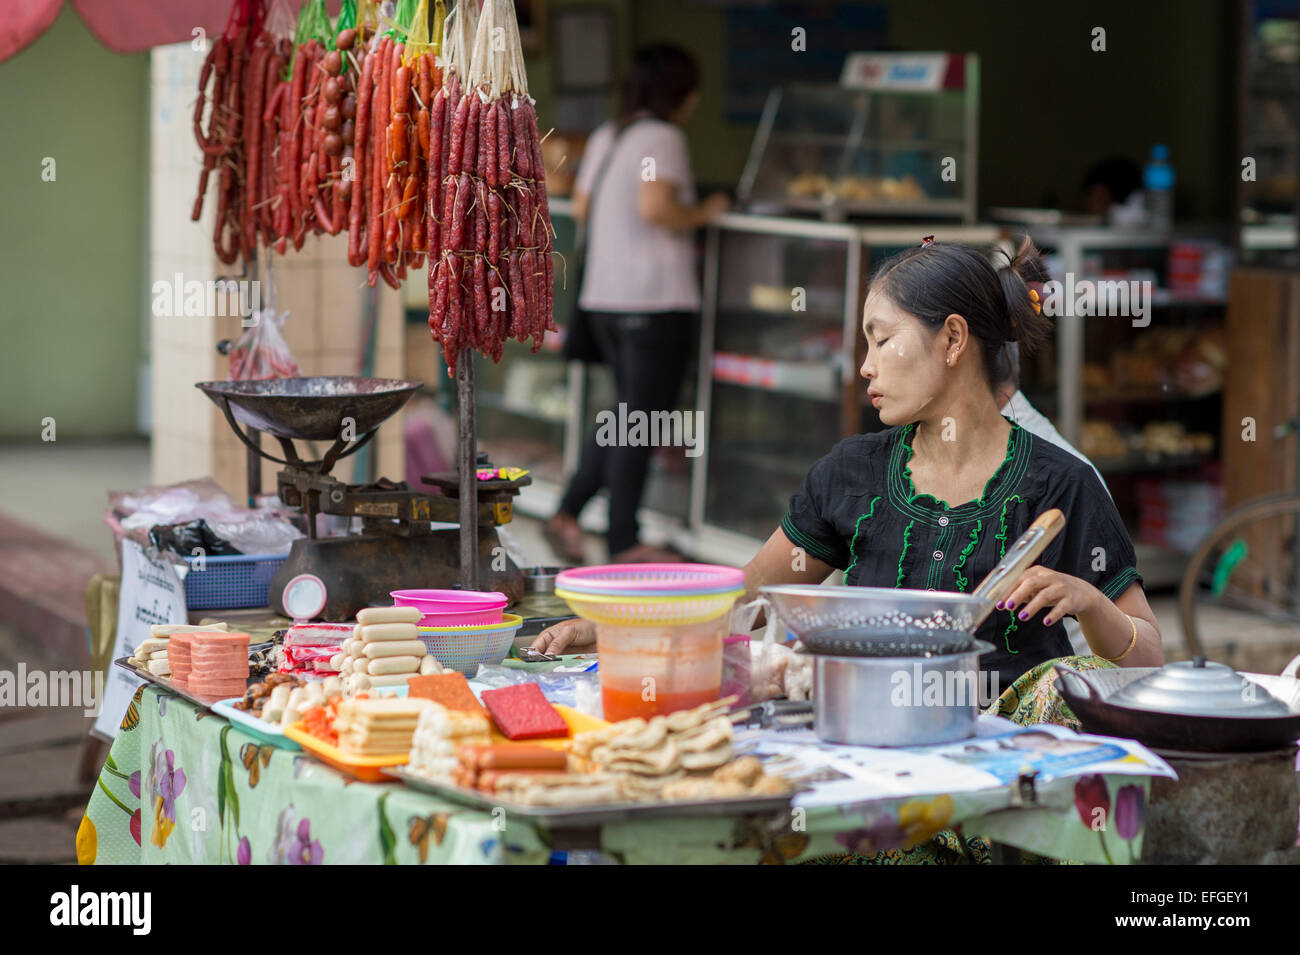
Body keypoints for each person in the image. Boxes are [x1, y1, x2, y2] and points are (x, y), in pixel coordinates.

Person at [535, 236, 1162, 700]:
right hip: (866, 743)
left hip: (1002, 781)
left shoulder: (1060, 484)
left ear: (951, 339)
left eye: (881, 340)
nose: (865, 366)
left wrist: (1087, 601)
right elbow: (746, 594)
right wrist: (610, 628)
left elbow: (1148, 656)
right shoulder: (853, 473)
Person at [544, 44, 731, 564]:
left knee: (627, 412)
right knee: (641, 420)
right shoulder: (663, 137)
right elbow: (656, 207)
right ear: (680, 94)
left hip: (604, 298)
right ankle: (623, 539)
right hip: (652, 301)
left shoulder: (610, 133)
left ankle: (570, 510)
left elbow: (582, 204)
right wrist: (707, 209)